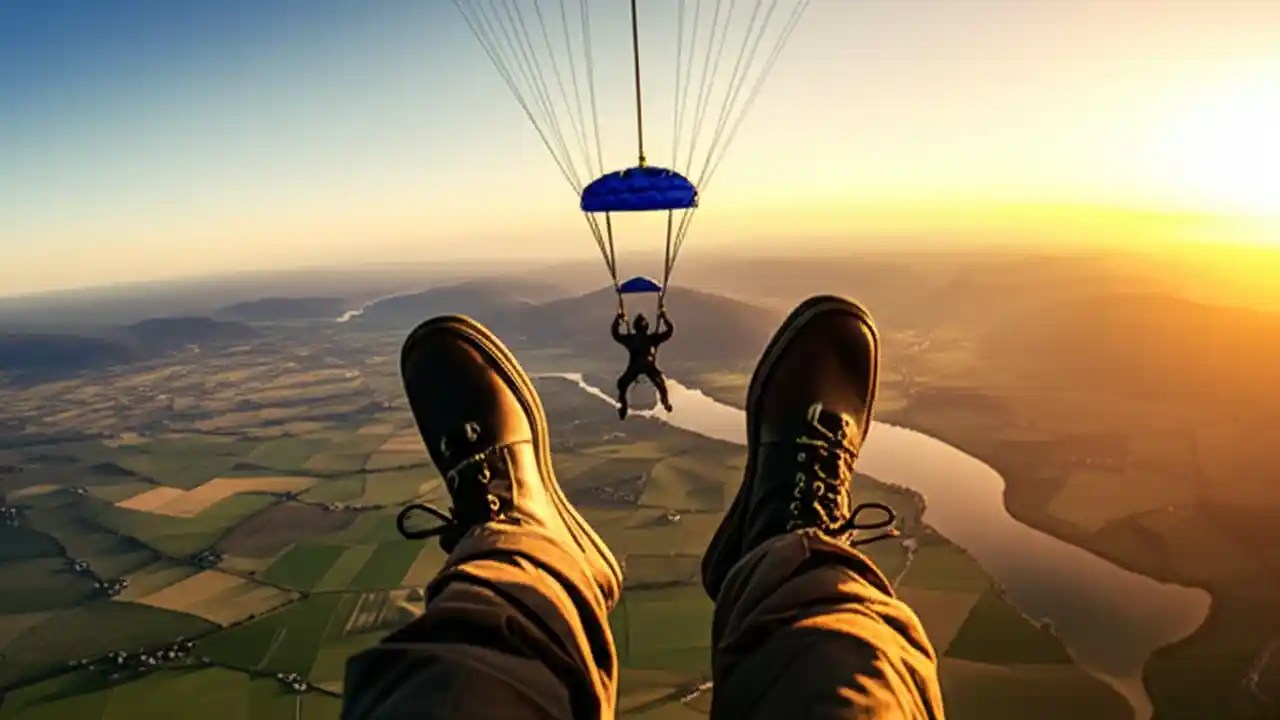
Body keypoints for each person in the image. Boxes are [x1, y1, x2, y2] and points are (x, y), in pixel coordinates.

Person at [344, 295, 946, 720]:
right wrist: (634, 325)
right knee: (854, 670)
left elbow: (643, 343)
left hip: (643, 356)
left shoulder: (641, 338)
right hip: (641, 355)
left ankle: (519, 550)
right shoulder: (637, 337)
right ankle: (795, 554)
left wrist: (645, 326)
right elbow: (637, 342)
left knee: (449, 681)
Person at [610, 309, 674, 420]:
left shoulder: (631, 340)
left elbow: (615, 334)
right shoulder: (653, 339)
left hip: (635, 367)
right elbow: (670, 331)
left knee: (622, 384)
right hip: (649, 367)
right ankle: (665, 402)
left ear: (635, 327)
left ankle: (623, 407)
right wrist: (664, 317)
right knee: (661, 385)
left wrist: (619, 319)